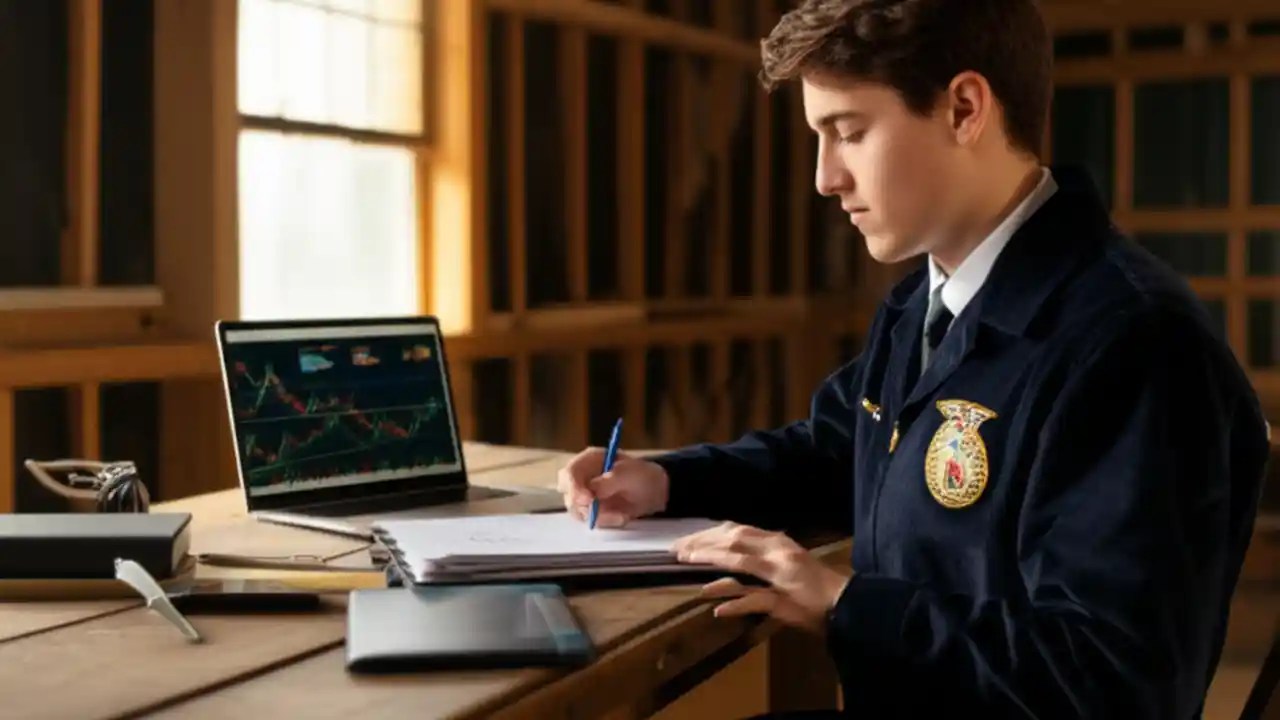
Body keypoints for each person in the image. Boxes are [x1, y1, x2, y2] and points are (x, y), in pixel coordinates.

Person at [557, 0, 1273, 716]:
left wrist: (847, 605)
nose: (824, 178)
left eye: (849, 133)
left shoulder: (1134, 343)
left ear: (964, 108)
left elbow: (1114, 684)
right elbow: (838, 455)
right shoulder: (921, 303)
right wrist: (667, 482)